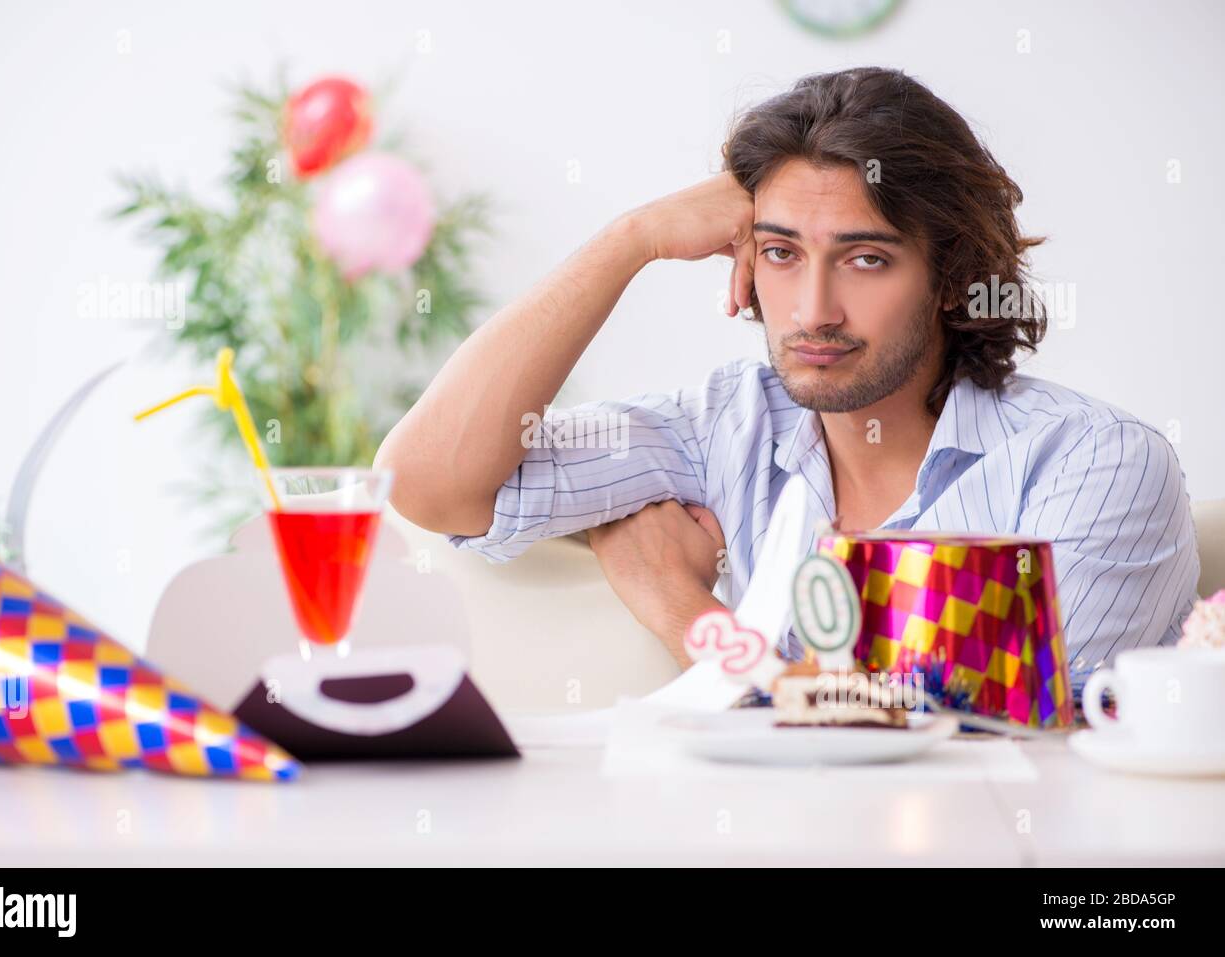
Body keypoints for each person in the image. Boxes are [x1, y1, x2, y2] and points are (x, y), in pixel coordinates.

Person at [374, 67, 1199, 676]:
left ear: (951, 276)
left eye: (865, 259)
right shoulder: (717, 429)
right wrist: (631, 240)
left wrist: (687, 614)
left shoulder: (1097, 462)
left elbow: (964, 731)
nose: (812, 310)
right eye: (780, 252)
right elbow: (428, 482)